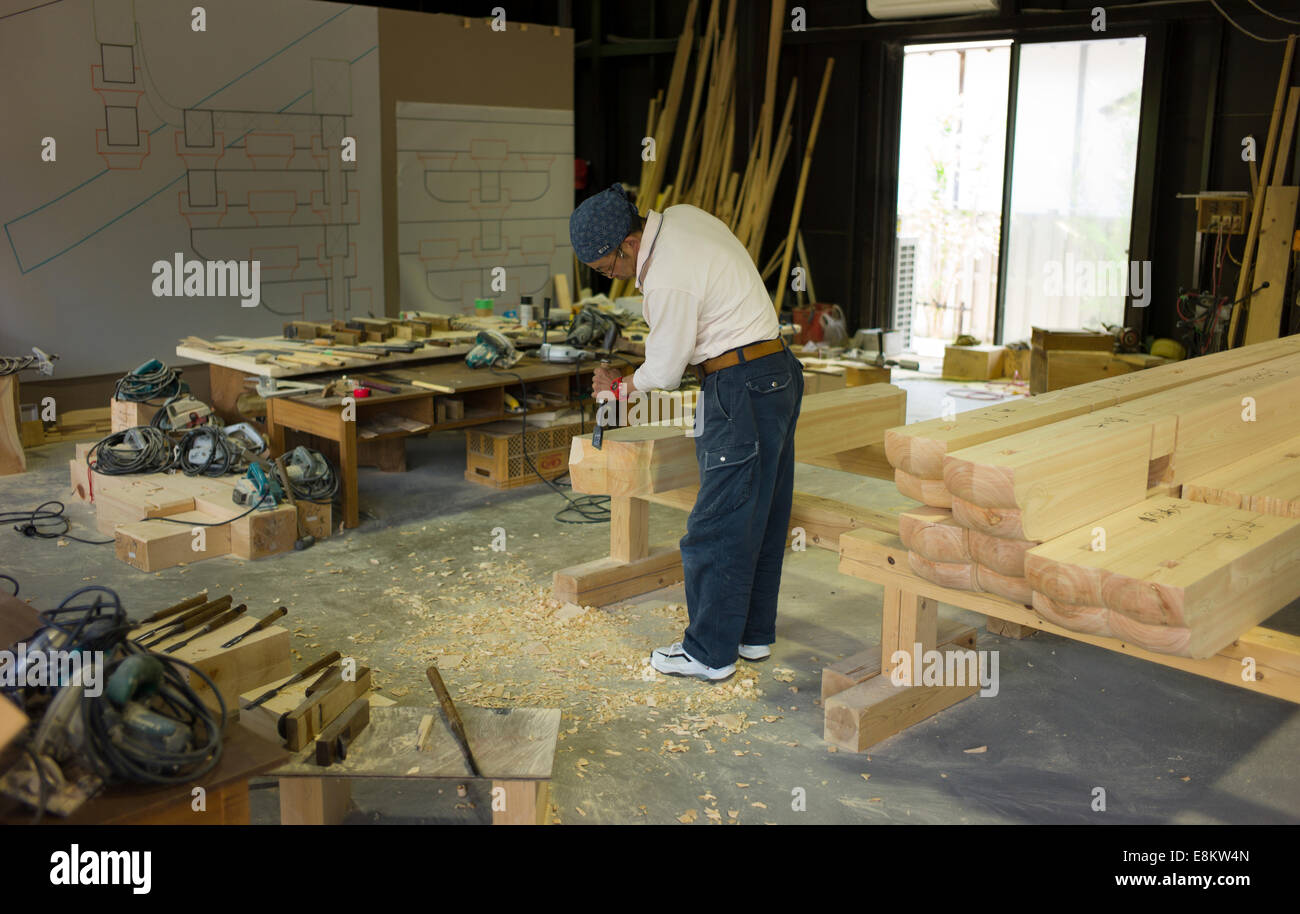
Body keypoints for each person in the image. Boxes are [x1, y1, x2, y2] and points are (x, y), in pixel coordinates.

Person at [568, 183, 804, 682]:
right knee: (760, 512)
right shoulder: (680, 217)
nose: (613, 277)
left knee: (717, 524)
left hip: (738, 388)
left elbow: (667, 370)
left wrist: (620, 387)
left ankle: (708, 653)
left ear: (629, 244)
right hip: (776, 372)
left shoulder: (667, 278)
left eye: (609, 267)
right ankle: (752, 635)